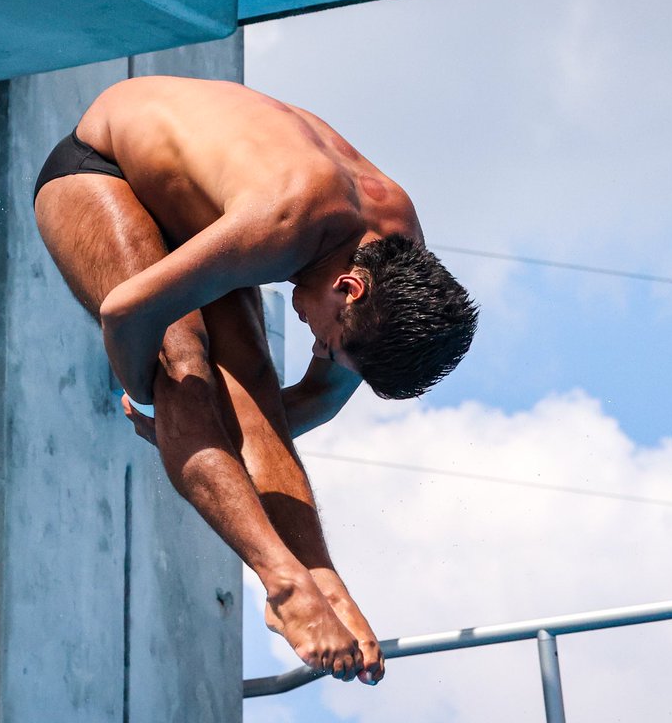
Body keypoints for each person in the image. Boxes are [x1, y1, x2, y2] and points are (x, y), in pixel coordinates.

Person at [33, 76, 477, 686]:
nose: (318, 347)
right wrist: (163, 405)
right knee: (181, 361)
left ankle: (322, 578)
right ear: (349, 289)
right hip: (100, 168)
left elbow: (316, 397)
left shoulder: (396, 267)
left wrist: (218, 435)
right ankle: (284, 584)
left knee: (256, 394)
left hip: (206, 216)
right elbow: (125, 313)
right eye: (330, 341)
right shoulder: (284, 222)